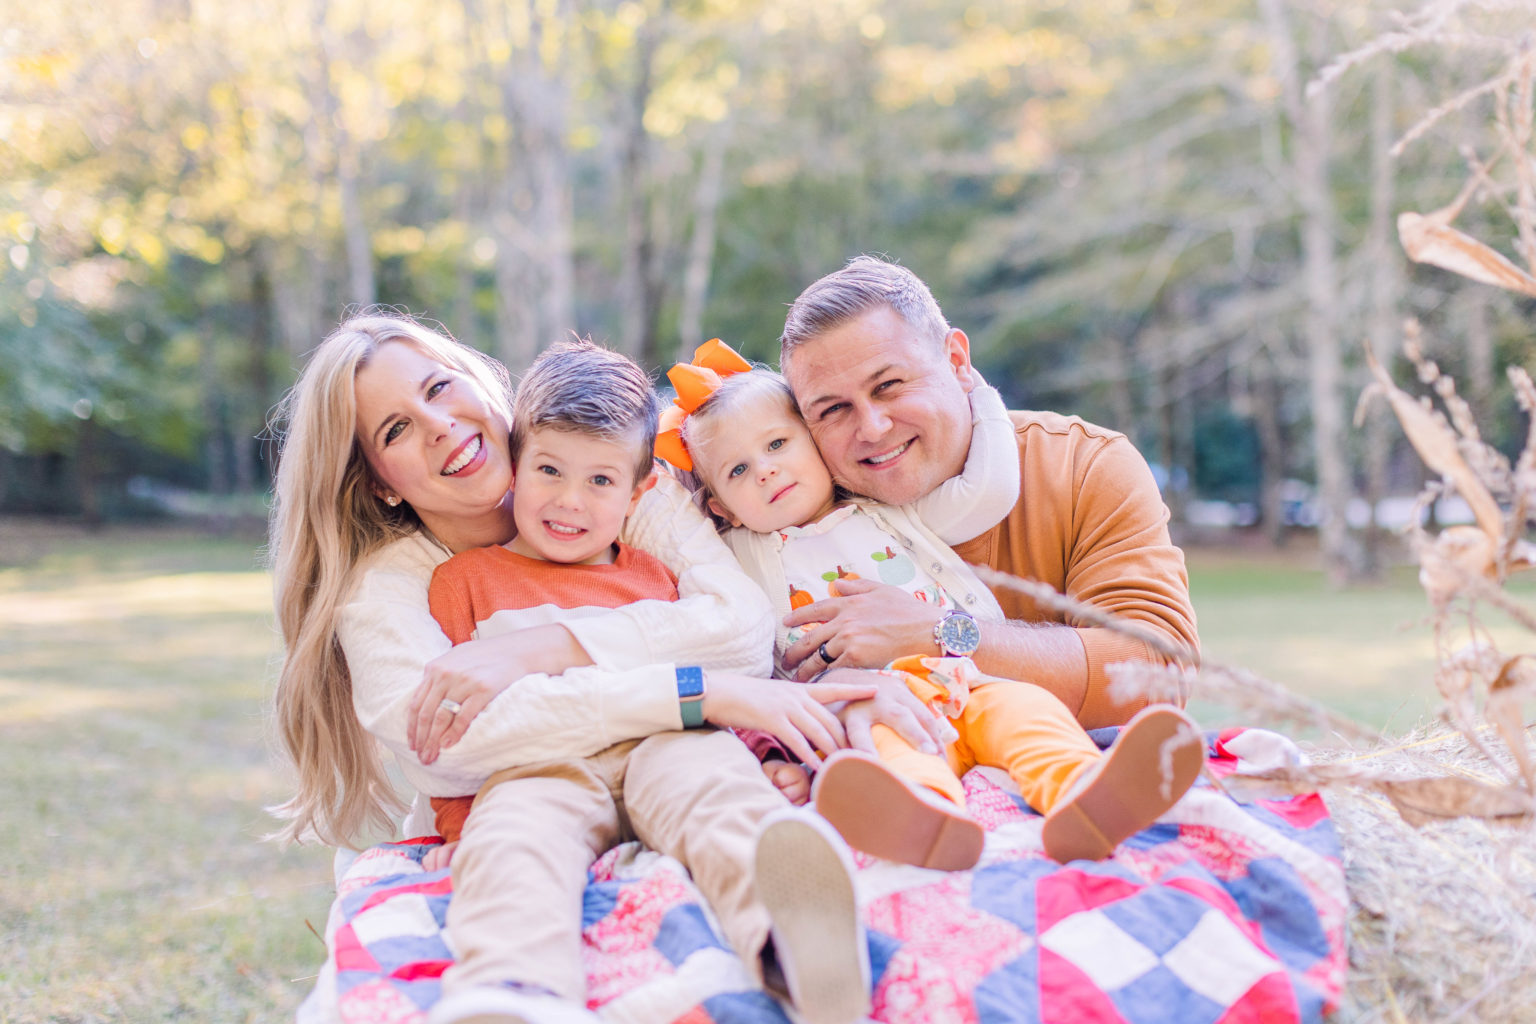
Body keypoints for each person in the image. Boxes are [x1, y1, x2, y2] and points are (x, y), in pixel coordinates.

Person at [267, 314, 883, 1024]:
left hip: (673, 745)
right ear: (380, 485)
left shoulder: (616, 487)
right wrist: (693, 691)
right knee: (515, 840)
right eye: (395, 430)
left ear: (484, 384)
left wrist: (543, 649)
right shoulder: (408, 586)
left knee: (716, 794)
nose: (437, 424)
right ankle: (511, 997)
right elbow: (447, 740)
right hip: (532, 773)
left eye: (439, 387)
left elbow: (741, 633)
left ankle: (801, 939)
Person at [655, 342, 1205, 867]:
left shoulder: (883, 500)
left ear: (814, 442)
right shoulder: (739, 558)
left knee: (1029, 715)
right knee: (897, 754)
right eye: (738, 471)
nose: (766, 470)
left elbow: (984, 487)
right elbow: (741, 648)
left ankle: (1085, 792)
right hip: (876, 702)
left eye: (777, 445)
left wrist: (979, 396)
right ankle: (931, 820)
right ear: (720, 509)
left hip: (970, 676)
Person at [774, 256, 1201, 740]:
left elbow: (1158, 671)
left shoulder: (1084, 464)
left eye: (889, 386)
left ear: (956, 361)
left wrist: (940, 633)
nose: (872, 428)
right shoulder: (787, 513)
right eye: (833, 409)